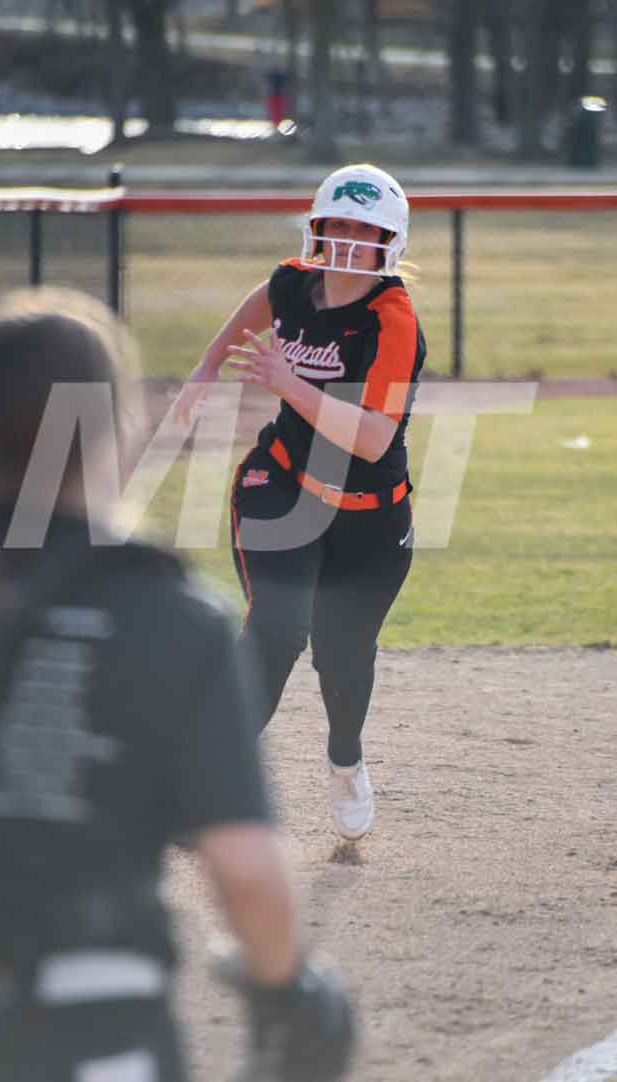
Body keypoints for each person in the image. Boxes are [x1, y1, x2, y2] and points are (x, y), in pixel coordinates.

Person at [0, 288, 354, 1082]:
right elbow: (246, 870)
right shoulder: (164, 613)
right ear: (110, 434)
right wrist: (290, 993)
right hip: (89, 1040)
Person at [175, 164, 426, 842]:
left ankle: (345, 758)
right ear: (316, 228)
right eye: (337, 224)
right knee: (278, 628)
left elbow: (374, 439)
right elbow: (266, 297)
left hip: (370, 514)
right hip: (280, 483)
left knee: (342, 660)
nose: (347, 240)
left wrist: (288, 384)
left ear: (390, 240)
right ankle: (207, 773)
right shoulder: (295, 280)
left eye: (363, 228)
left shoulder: (393, 320)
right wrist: (203, 369)